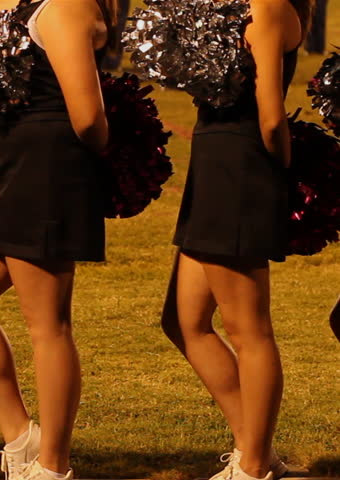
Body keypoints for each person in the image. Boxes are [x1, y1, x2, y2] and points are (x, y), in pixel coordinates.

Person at [0, 0, 115, 479]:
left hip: (47, 170)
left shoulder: (64, 8)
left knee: (48, 325)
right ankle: (22, 435)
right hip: (18, 168)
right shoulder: (32, 9)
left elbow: (87, 117)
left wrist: (104, 155)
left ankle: (53, 465)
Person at [160, 1, 313, 480]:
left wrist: (287, 171)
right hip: (213, 163)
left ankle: (253, 469)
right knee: (184, 321)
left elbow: (270, 116)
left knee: (249, 329)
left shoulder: (270, 8)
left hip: (241, 167)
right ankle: (254, 449)